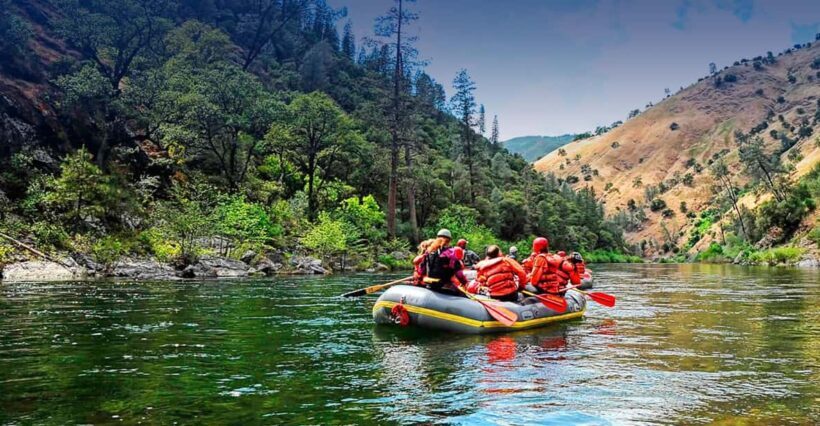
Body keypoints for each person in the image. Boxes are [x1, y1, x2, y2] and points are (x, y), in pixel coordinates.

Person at [422, 229, 468, 295]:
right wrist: (465, 283)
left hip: (429, 284)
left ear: (437, 238)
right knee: (463, 295)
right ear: (449, 240)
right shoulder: (450, 253)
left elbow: (422, 270)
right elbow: (459, 273)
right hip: (443, 285)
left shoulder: (428, 252)